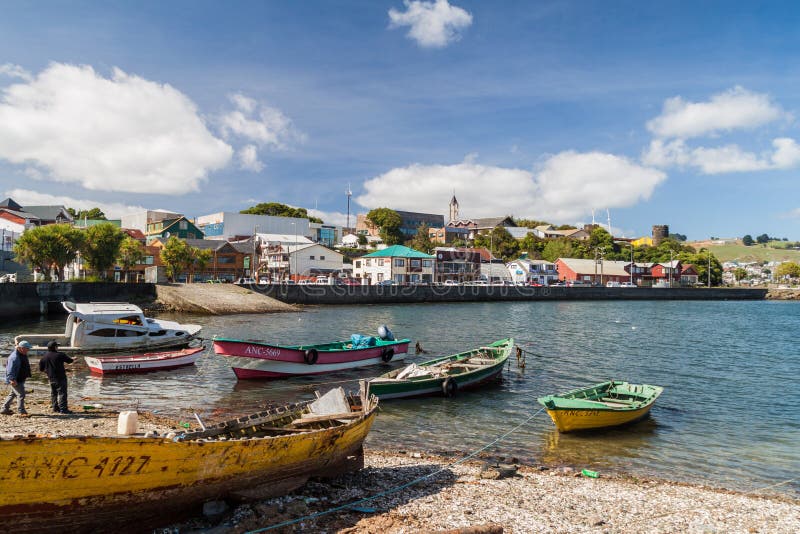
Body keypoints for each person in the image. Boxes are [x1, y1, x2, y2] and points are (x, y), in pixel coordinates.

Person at [39, 341, 74, 414]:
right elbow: (70, 361)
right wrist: (74, 359)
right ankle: (63, 409)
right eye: (57, 346)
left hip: (51, 378)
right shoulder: (60, 355)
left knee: (54, 393)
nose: (58, 347)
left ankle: (55, 408)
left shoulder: (44, 357)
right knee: (62, 393)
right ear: (55, 347)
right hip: (60, 378)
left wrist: (49, 371)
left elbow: (41, 369)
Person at [2, 340, 32, 416]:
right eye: (27, 348)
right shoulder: (14, 357)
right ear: (21, 348)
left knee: (12, 394)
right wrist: (12, 379)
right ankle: (21, 412)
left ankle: (4, 409)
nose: (28, 350)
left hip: (20, 378)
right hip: (16, 379)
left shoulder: (22, 354)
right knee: (21, 394)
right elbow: (9, 370)